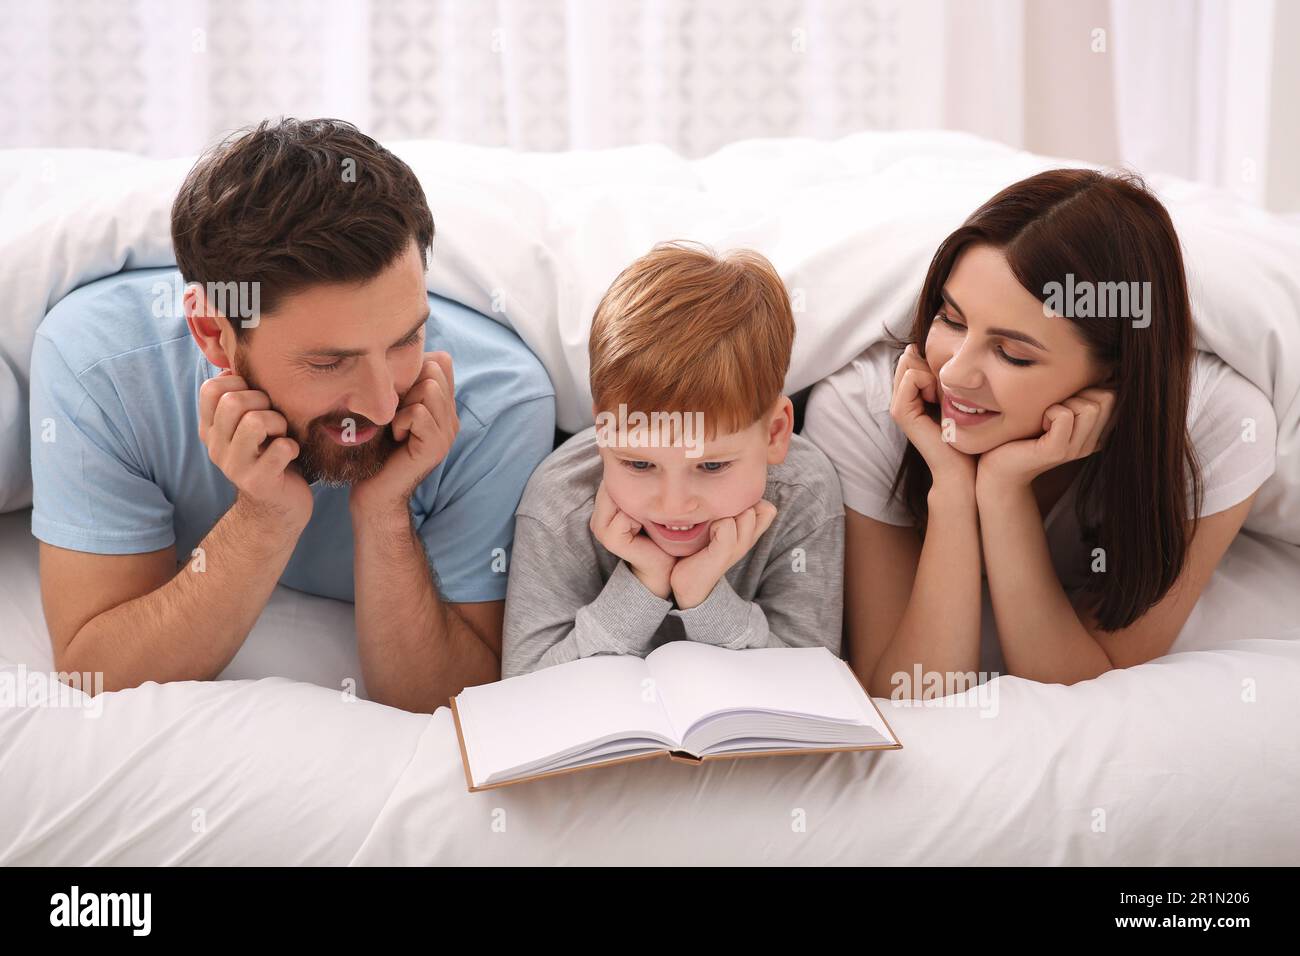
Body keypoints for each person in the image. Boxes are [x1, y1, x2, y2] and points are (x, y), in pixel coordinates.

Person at [29, 118, 555, 711]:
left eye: (406, 339)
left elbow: (450, 705)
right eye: (330, 363)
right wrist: (264, 519)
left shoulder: (499, 406)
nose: (384, 404)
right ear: (213, 334)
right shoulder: (101, 366)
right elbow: (95, 674)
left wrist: (385, 514)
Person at [803, 168, 1277, 697]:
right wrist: (954, 490)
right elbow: (913, 694)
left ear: (1115, 372)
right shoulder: (865, 404)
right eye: (952, 321)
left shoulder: (1223, 425)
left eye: (1012, 354)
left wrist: (1005, 493)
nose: (955, 373)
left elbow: (1085, 690)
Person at [501, 241, 844, 679]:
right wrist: (644, 585)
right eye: (639, 465)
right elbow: (522, 695)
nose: (674, 506)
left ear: (776, 433)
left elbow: (814, 690)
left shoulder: (804, 493)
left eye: (712, 466)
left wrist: (703, 596)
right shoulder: (559, 500)